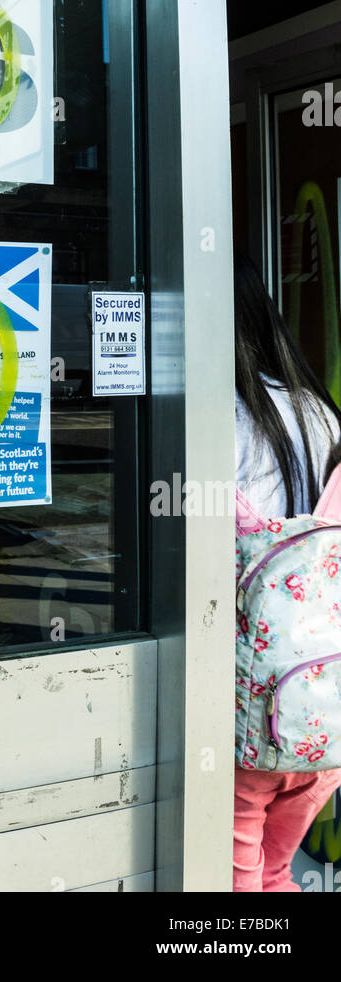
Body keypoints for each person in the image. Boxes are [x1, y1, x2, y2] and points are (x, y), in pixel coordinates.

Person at [233, 251, 341, 891]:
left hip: (252, 714)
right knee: (277, 871)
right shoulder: (320, 414)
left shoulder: (216, 420)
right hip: (324, 713)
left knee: (238, 877)